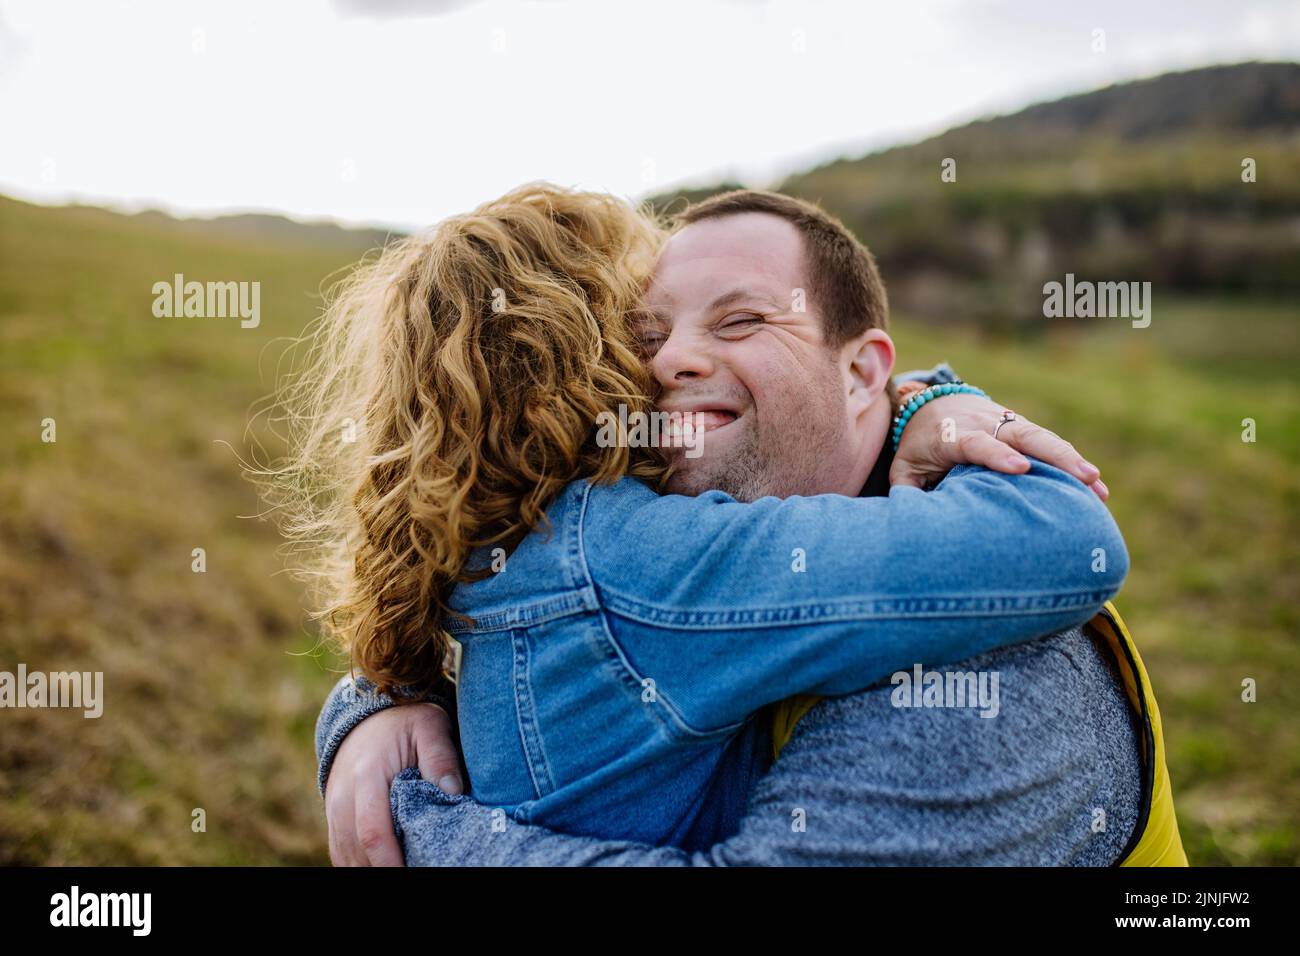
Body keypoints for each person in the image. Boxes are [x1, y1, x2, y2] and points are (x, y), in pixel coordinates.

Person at [303, 186, 1140, 866]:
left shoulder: (988, 669)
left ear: (862, 371)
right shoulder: (641, 546)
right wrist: (374, 707)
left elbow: (1077, 535)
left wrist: (429, 830)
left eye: (737, 321)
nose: (670, 362)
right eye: (646, 335)